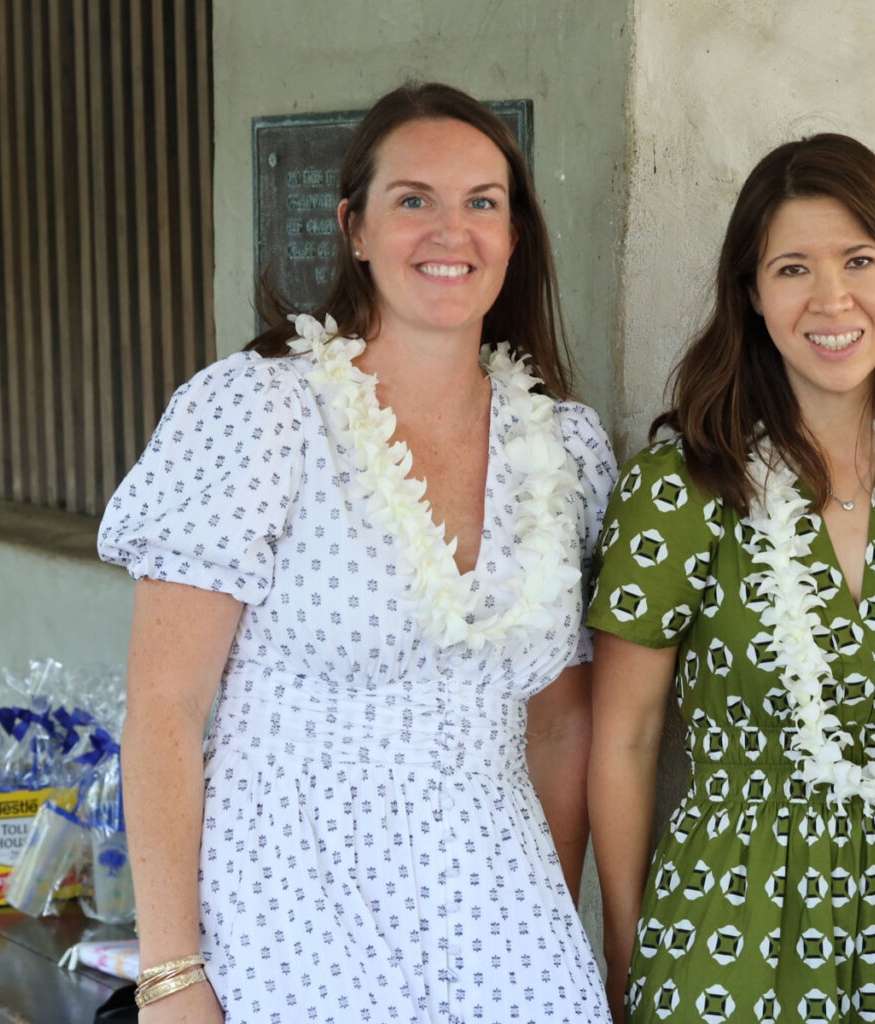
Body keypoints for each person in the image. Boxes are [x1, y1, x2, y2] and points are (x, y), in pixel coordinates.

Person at [98, 82, 614, 1023]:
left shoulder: (565, 447)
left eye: (481, 204)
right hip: (293, 894)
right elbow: (165, 709)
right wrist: (171, 973)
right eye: (413, 200)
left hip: (501, 900)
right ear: (356, 229)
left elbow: (563, 724)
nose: (449, 231)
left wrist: (550, 920)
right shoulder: (259, 412)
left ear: (514, 235)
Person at [586, 133, 875, 1024]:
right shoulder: (683, 484)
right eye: (792, 268)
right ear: (751, 295)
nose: (832, 299)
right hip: (725, 920)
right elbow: (627, 736)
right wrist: (630, 947)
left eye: (860, 260)